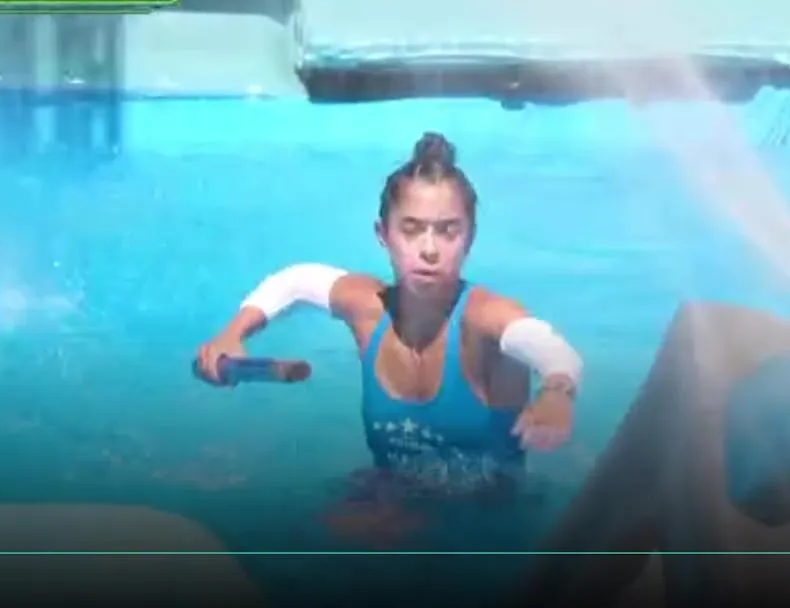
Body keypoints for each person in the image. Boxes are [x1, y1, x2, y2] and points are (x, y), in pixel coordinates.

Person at [195, 132, 582, 512]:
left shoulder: (484, 318)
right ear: (383, 235)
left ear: (470, 238)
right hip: (392, 500)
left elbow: (550, 348)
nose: (429, 249)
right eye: (411, 229)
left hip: (487, 522)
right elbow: (297, 280)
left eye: (448, 231)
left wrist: (557, 393)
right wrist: (233, 333)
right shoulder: (369, 311)